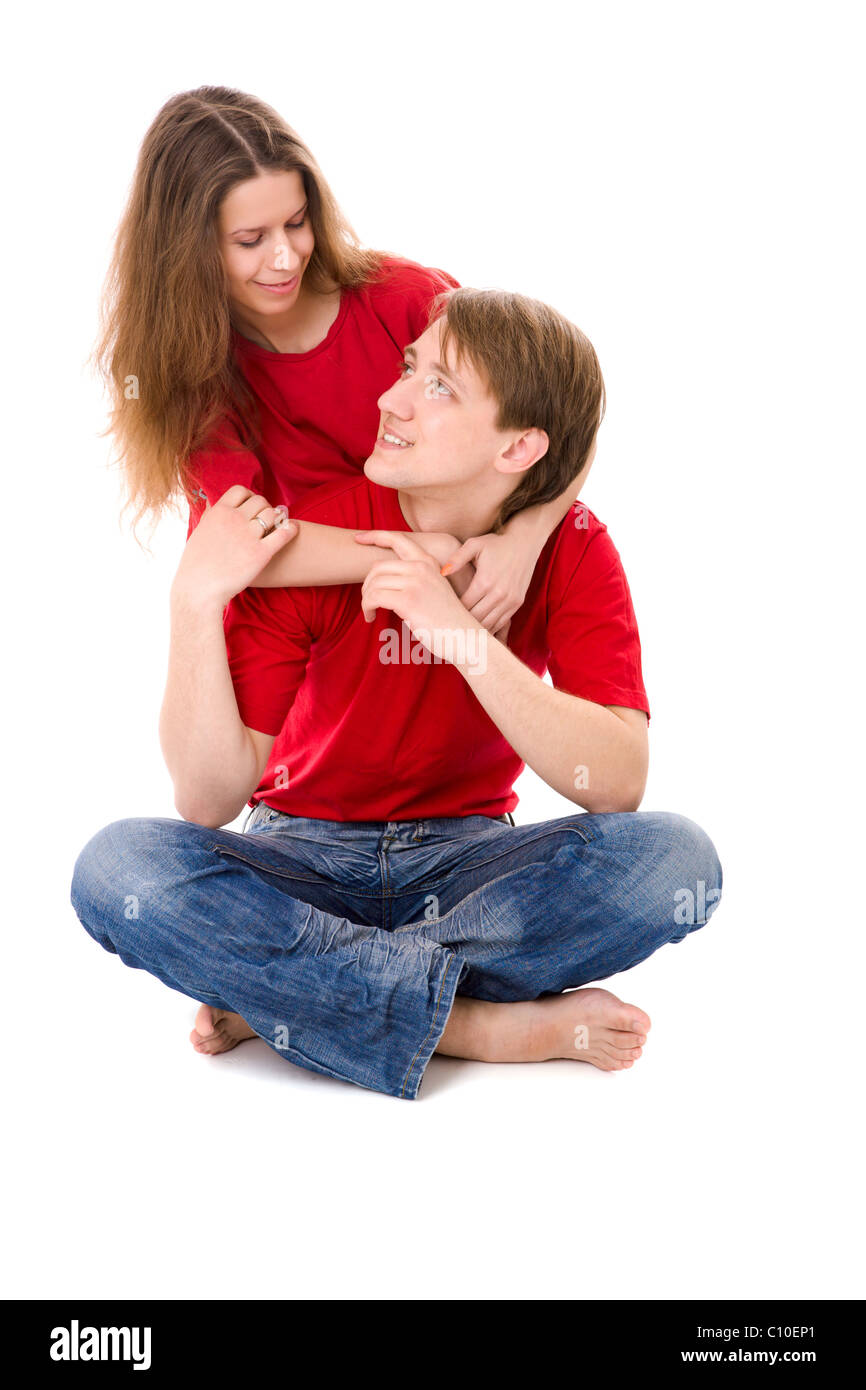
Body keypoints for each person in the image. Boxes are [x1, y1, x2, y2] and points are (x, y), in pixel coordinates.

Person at [71, 286, 723, 1101]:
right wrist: (192, 601)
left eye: (438, 387)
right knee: (118, 869)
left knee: (675, 860)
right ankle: (467, 1027)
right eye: (410, 367)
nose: (390, 398)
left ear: (519, 448)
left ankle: (296, 995)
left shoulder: (574, 549)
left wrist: (460, 636)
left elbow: (618, 781)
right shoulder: (321, 535)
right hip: (300, 855)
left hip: (468, 859)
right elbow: (206, 801)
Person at [98, 84, 579, 635]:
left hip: (447, 610)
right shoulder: (188, 376)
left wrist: (525, 540)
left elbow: (562, 421)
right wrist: (423, 553)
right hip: (299, 638)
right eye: (251, 239)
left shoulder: (404, 298)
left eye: (296, 223)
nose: (284, 258)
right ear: (187, 247)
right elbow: (241, 549)